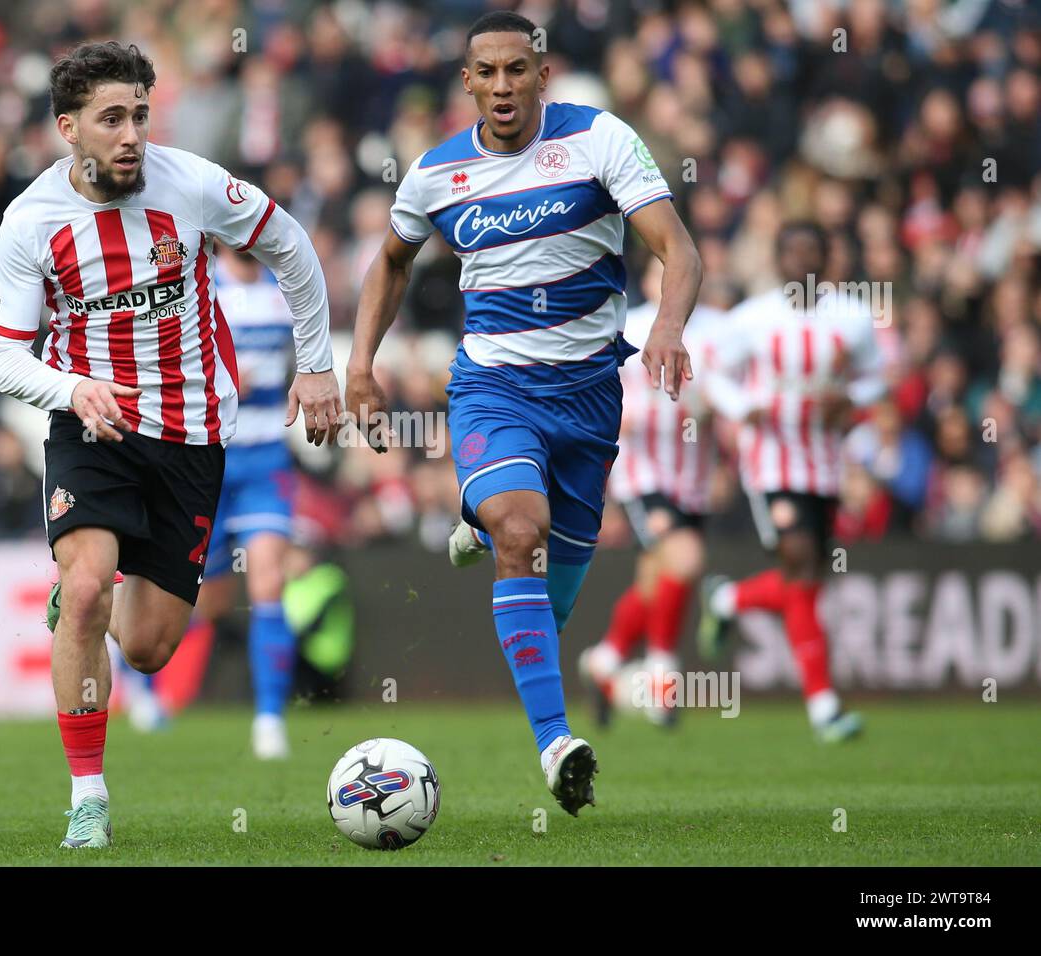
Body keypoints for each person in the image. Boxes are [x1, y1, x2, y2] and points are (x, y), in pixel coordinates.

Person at [0, 41, 340, 848]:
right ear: (68, 128)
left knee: (146, 648)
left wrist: (317, 367)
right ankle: (88, 799)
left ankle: (93, 597)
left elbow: (293, 249)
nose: (131, 134)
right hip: (92, 426)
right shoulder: (31, 221)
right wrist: (71, 389)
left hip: (193, 434)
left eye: (140, 114)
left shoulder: (194, 184)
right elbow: (4, 355)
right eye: (111, 119)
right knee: (85, 590)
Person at [345, 12, 701, 815]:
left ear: (543, 75)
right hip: (495, 387)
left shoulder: (600, 139)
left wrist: (668, 326)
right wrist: (360, 365)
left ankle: (481, 517)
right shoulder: (437, 173)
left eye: (517, 70)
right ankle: (555, 743)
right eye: (487, 73)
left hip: (589, 398)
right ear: (466, 83)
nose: (502, 86)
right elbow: (391, 262)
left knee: (554, 599)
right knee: (519, 531)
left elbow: (678, 248)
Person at [696, 221, 884, 742]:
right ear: (777, 261)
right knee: (800, 560)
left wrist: (851, 400)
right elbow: (715, 377)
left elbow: (876, 375)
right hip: (771, 458)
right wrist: (746, 410)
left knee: (807, 579)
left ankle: (728, 600)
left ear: (828, 259)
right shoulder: (752, 319)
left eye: (812, 253)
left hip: (824, 461)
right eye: (792, 253)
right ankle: (823, 706)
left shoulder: (852, 317)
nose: (802, 263)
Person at [122, 246, 303, 759]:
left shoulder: (283, 289)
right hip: (209, 459)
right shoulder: (200, 285)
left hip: (266, 458)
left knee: (269, 580)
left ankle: (270, 719)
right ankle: (141, 685)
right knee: (205, 598)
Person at [579, 258, 725, 726]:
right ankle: (662, 677)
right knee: (685, 559)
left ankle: (605, 662)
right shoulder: (628, 325)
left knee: (654, 580)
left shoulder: (718, 331)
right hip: (644, 474)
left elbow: (728, 394)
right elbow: (599, 392)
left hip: (693, 476)